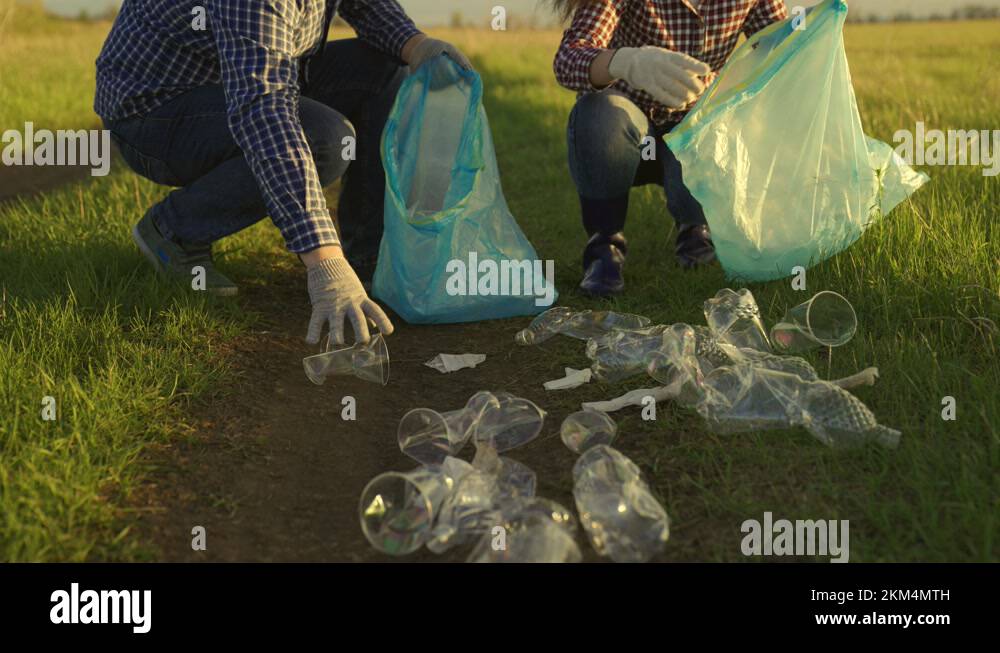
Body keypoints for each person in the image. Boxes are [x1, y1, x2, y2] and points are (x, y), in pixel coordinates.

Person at [95, 0, 473, 345]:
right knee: (324, 139)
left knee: (386, 66)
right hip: (156, 112)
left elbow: (365, 4)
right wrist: (323, 259)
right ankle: (174, 228)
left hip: (237, 73)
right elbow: (263, 112)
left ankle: (367, 261)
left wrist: (414, 43)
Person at [552, 0, 788, 296]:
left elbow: (784, 50)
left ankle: (696, 230)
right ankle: (604, 246)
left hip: (692, 132)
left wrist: (822, 23)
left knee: (715, 131)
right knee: (599, 112)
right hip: (627, 132)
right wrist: (624, 62)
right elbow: (569, 56)